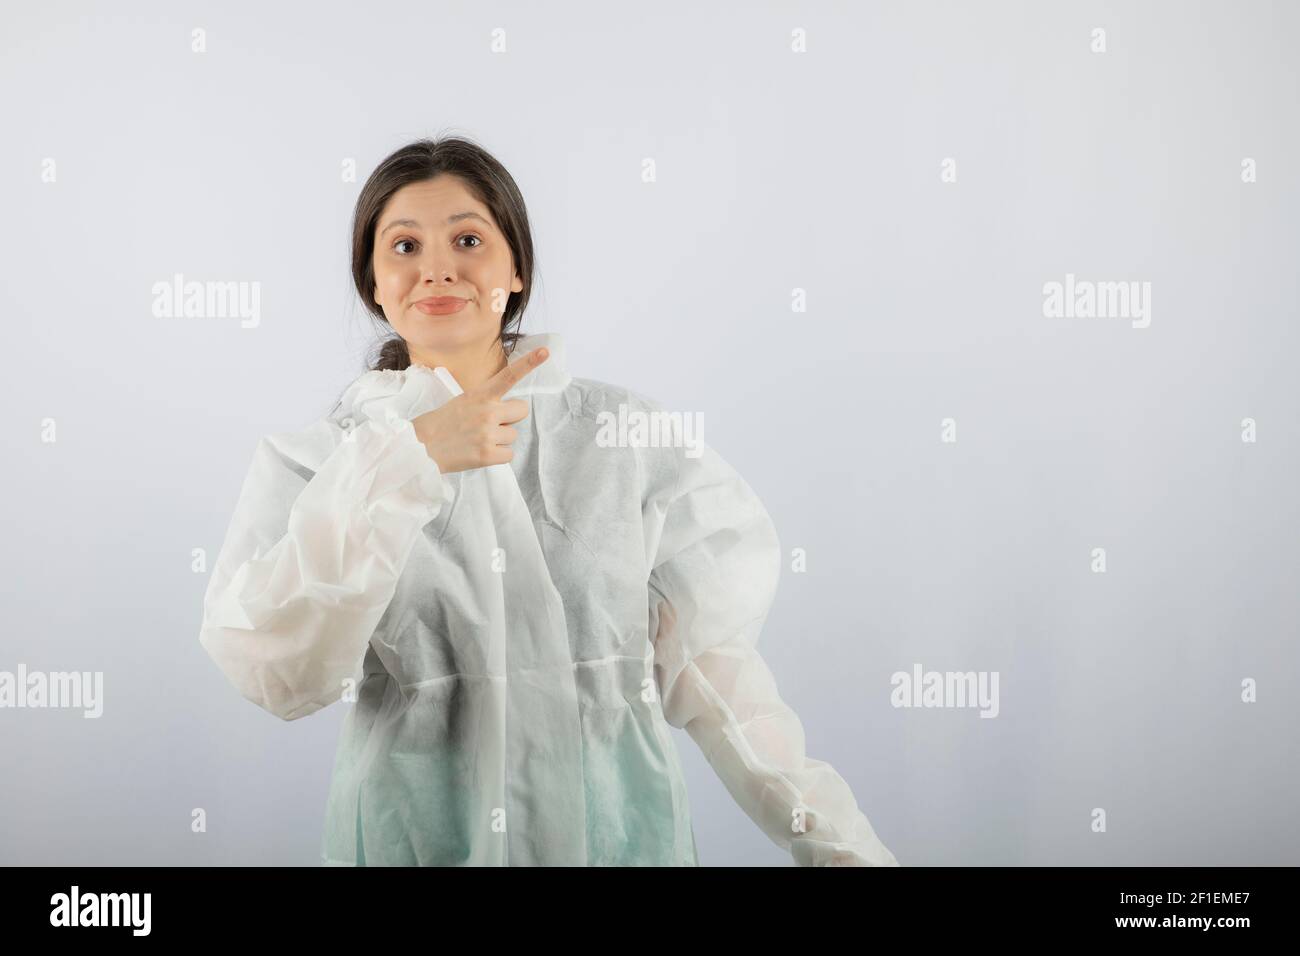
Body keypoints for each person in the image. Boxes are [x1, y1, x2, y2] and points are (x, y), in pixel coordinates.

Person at [198, 136, 899, 867]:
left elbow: (723, 687)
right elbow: (273, 668)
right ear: (373, 284)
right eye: (403, 246)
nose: (435, 267)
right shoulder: (317, 462)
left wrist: (841, 848)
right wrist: (409, 461)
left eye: (468, 239)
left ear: (517, 268)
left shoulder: (624, 442)